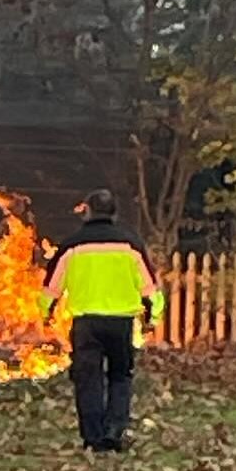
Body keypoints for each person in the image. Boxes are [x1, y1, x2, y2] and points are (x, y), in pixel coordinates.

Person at [39, 189, 164, 452]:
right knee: (120, 376)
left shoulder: (72, 246)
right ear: (114, 213)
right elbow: (150, 289)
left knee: (88, 379)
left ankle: (93, 437)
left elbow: (51, 288)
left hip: (86, 324)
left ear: (87, 211)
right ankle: (114, 431)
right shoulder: (130, 244)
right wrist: (151, 318)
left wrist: (46, 315)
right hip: (121, 323)